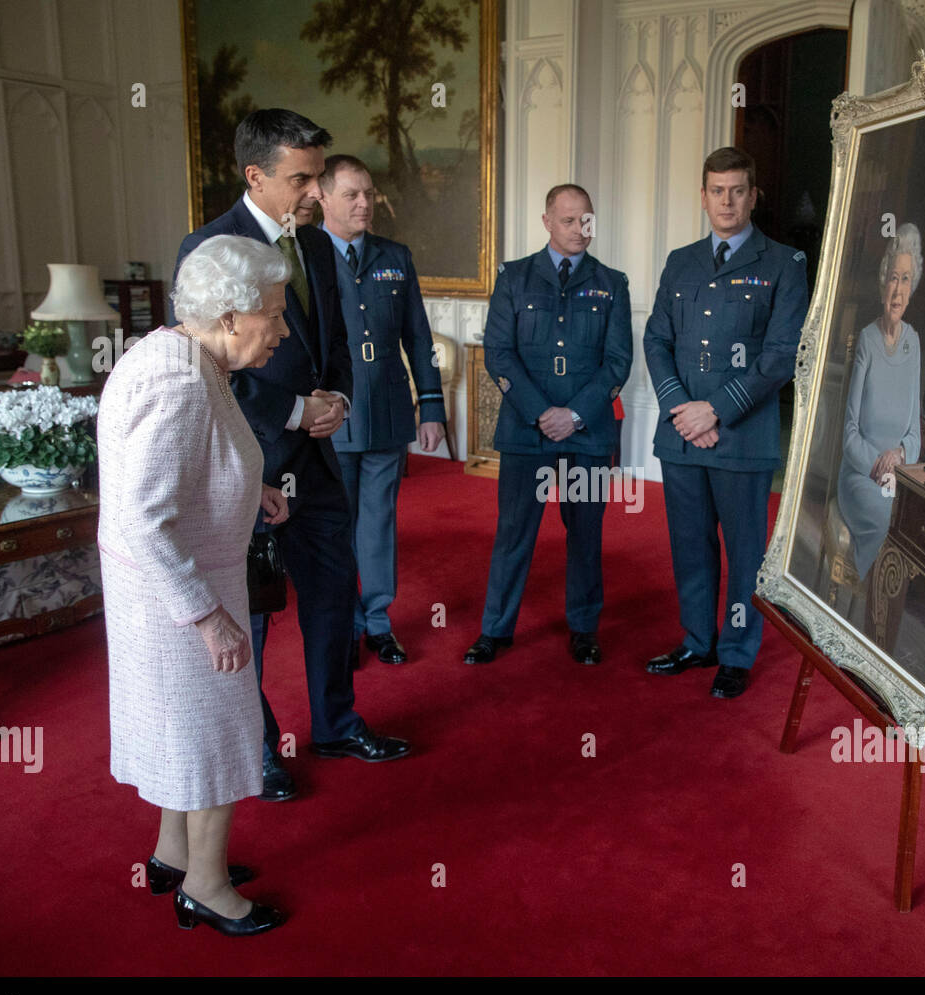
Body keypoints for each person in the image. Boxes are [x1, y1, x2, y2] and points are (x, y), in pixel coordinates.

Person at [175, 109, 410, 804]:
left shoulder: (314, 244)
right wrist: (289, 412)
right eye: (302, 178)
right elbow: (206, 368)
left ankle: (336, 723)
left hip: (317, 461)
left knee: (334, 596)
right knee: (250, 614)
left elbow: (334, 337)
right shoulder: (208, 247)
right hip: (243, 466)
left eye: (317, 175)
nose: (316, 191)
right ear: (257, 176)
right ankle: (257, 747)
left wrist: (332, 394)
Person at [99, 235, 291, 935]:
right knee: (215, 733)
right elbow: (144, 520)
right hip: (177, 600)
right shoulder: (179, 380)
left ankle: (173, 854)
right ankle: (205, 888)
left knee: (186, 734)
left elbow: (187, 469)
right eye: (274, 313)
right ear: (234, 314)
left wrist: (252, 489)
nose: (283, 329)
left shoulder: (179, 354)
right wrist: (208, 617)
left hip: (167, 590)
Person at [643, 146, 809, 699]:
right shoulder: (680, 261)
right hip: (682, 436)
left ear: (754, 195)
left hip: (742, 435)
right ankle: (697, 641)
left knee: (744, 554)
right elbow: (657, 340)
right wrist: (681, 408)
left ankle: (736, 652)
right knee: (690, 545)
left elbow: (782, 355)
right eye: (718, 190)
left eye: (738, 190)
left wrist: (715, 410)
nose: (727, 201)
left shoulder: (784, 264)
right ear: (704, 195)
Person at [464, 183, 633, 665]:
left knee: (585, 533)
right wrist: (541, 412)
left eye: (587, 219)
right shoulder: (515, 278)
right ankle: (496, 629)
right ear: (546, 222)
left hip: (588, 436)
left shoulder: (613, 282)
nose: (580, 229)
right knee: (514, 531)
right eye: (568, 220)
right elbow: (499, 353)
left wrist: (574, 415)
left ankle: (584, 627)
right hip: (526, 432)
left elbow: (617, 362)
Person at [317, 154, 446, 666]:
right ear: (322, 197)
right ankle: (343, 624)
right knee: (337, 527)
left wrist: (431, 405)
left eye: (368, 193)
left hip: (389, 413)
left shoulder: (395, 255)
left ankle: (377, 622)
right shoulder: (305, 257)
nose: (365, 203)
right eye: (351, 194)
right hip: (332, 419)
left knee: (379, 523)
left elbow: (418, 337)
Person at [837, 222, 923, 579]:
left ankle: (889, 619)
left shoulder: (913, 343)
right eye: (892, 278)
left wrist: (900, 455)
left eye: (905, 279)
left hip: (897, 476)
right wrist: (880, 466)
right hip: (861, 477)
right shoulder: (868, 342)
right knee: (887, 519)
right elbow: (850, 434)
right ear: (882, 283)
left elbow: (914, 435)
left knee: (921, 526)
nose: (898, 289)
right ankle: (871, 614)